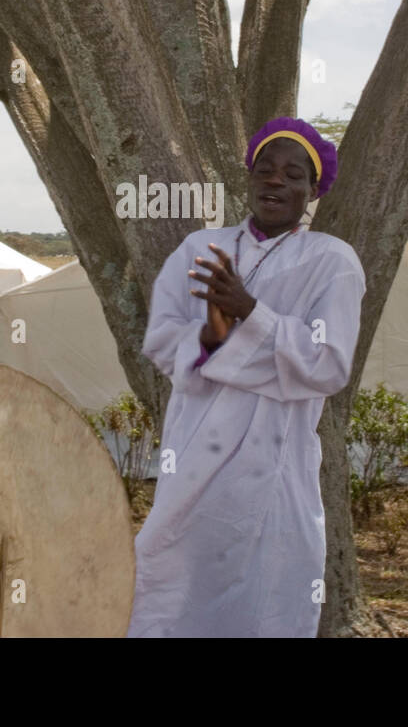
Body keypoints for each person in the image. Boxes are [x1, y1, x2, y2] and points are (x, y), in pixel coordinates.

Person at [126, 117, 366, 637]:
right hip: (193, 456)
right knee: (165, 584)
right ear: (250, 178)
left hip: (274, 471)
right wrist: (227, 343)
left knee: (264, 598)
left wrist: (249, 313)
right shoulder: (199, 248)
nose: (276, 181)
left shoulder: (332, 262)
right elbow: (164, 344)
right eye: (265, 169)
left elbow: (327, 365)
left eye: (293, 173)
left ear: (312, 190)